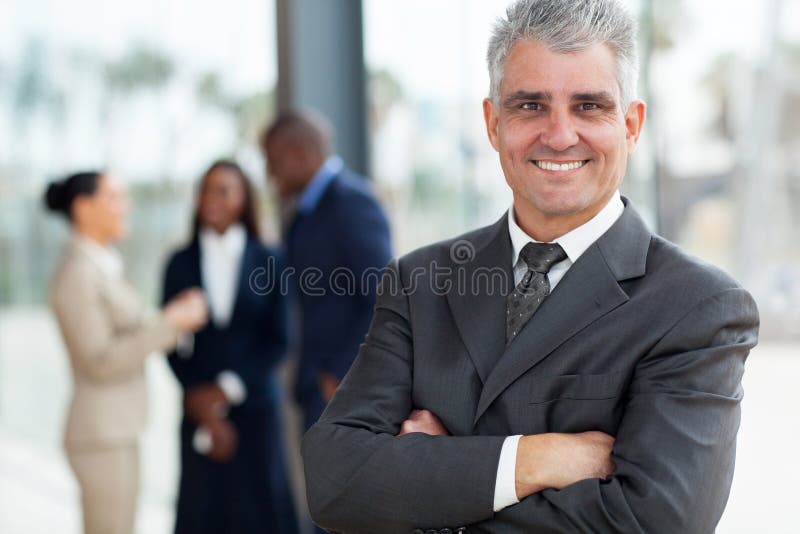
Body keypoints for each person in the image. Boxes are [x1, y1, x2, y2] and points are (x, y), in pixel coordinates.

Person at [301, 1, 760, 533]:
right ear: (494, 124)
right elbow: (334, 480)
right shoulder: (419, 282)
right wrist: (537, 460)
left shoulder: (698, 307)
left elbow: (654, 521)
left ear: (631, 126)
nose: (560, 134)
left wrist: (436, 486)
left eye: (589, 106)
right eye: (530, 106)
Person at [46, 171, 207, 534]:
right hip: (100, 436)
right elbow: (100, 361)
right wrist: (170, 322)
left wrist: (170, 319)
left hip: (116, 431)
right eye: (115, 197)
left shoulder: (103, 266)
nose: (127, 206)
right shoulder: (78, 273)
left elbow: (127, 332)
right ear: (84, 208)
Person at [162, 160, 298, 534]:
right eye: (206, 189)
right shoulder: (179, 262)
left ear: (244, 199)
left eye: (224, 189)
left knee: (261, 511)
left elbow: (279, 340)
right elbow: (169, 340)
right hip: (198, 408)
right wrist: (199, 397)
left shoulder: (270, 259)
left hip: (255, 408)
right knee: (201, 510)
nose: (212, 198)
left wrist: (228, 389)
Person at [260, 110, 392, 431]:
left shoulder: (352, 204)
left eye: (273, 161)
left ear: (300, 155)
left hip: (341, 389)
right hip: (316, 386)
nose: (269, 173)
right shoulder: (303, 213)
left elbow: (384, 295)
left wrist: (342, 373)